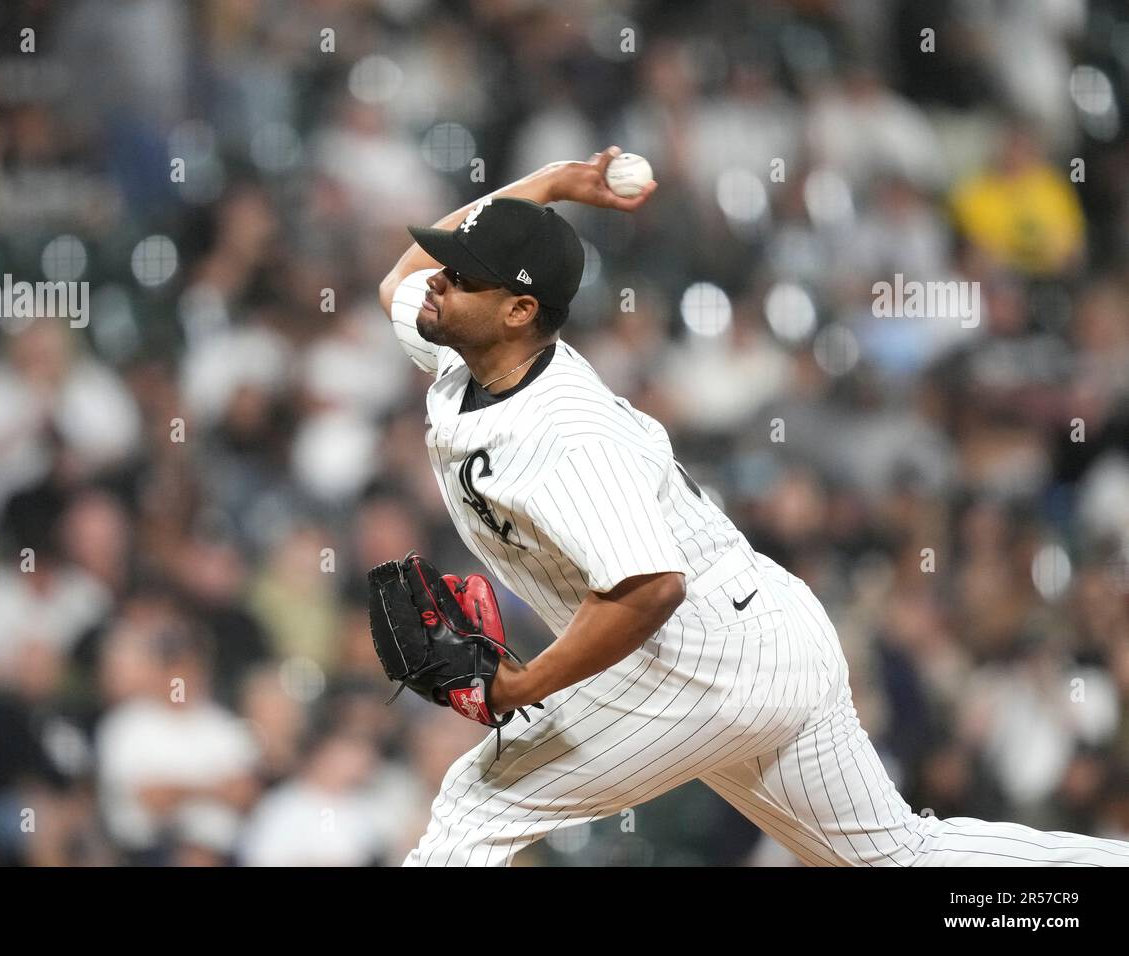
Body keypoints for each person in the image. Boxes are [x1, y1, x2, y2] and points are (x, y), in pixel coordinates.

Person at [374, 146, 1129, 867]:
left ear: (519, 310)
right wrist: (551, 183)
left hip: (702, 658)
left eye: (463, 277)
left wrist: (522, 685)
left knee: (478, 805)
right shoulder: (461, 353)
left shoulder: (566, 434)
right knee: (896, 856)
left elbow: (649, 589)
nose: (437, 282)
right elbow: (398, 279)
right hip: (764, 635)